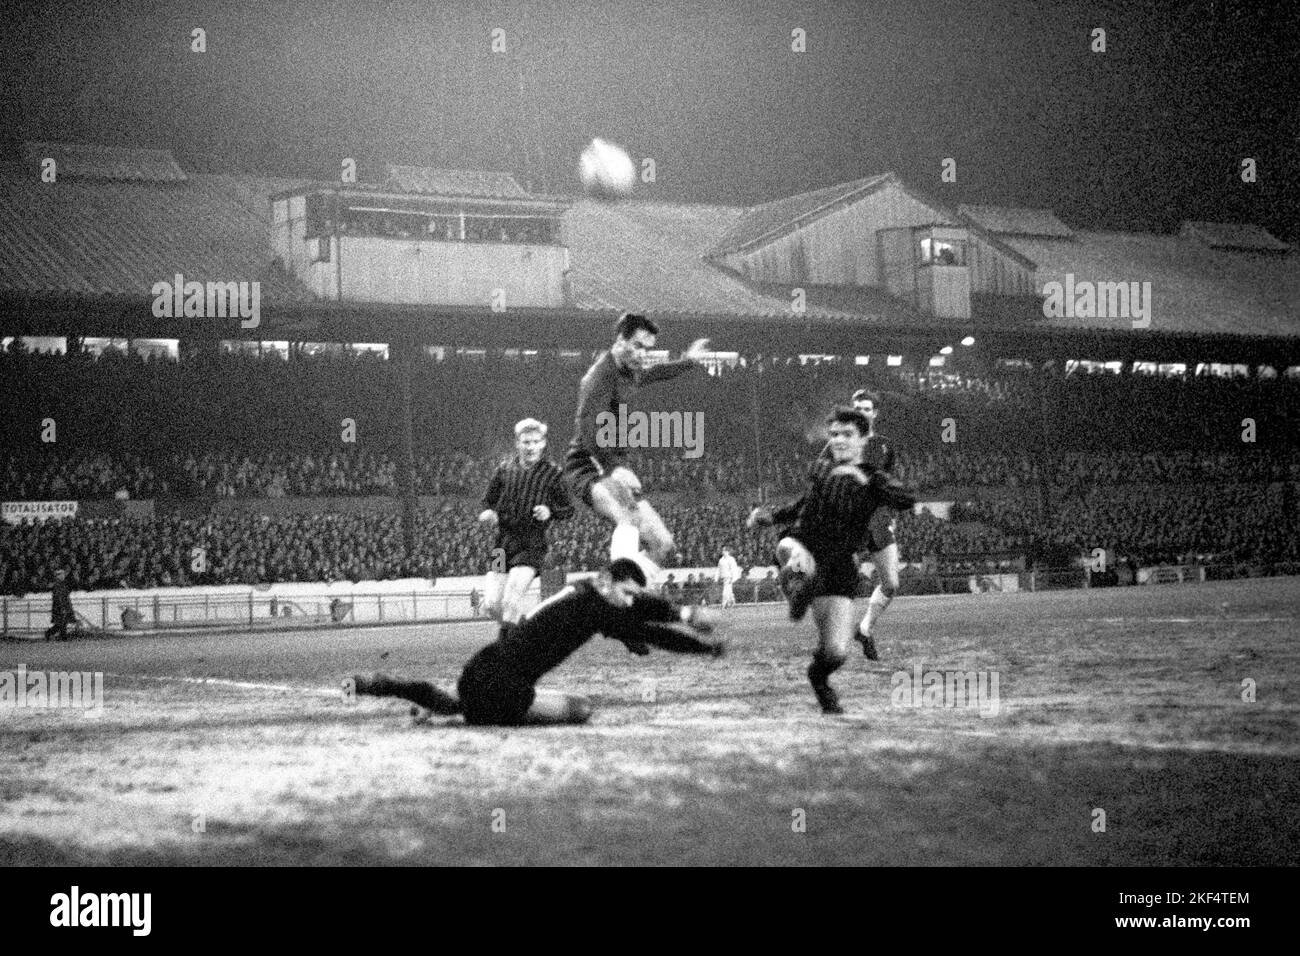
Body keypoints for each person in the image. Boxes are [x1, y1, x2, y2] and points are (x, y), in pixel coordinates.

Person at [350, 559, 724, 726]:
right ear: (609, 582)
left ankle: (390, 687)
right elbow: (653, 629)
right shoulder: (595, 606)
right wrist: (695, 631)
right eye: (627, 593)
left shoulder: (582, 596)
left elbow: (641, 619)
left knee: (464, 703)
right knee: (582, 709)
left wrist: (679, 623)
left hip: (478, 669)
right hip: (508, 692)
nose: (630, 601)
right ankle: (425, 702)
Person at [748, 406, 916, 714]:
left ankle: (818, 678)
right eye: (834, 434)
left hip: (839, 566)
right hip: (803, 544)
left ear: (864, 439)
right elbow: (802, 504)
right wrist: (770, 516)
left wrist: (869, 480)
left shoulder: (873, 479)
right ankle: (797, 584)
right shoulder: (822, 469)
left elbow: (907, 498)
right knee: (792, 550)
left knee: (837, 652)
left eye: (847, 435)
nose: (838, 440)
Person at [563, 312, 709, 577]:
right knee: (628, 520)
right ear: (620, 340)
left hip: (614, 467)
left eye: (648, 349)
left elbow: (655, 373)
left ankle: (621, 587)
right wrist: (613, 466)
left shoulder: (629, 372)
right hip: (589, 465)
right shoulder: (599, 375)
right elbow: (586, 426)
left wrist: (688, 361)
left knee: (663, 545)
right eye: (638, 346)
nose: (643, 354)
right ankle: (616, 599)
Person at [478, 418, 574, 624]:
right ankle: (528, 631)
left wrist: (550, 511)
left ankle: (510, 653)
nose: (531, 447)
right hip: (501, 545)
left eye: (535, 442)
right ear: (517, 444)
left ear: (543, 444)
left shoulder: (553, 473)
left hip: (531, 544)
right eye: (526, 442)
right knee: (491, 605)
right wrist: (488, 513)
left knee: (511, 602)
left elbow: (568, 509)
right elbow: (488, 502)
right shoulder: (504, 469)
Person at [45, 568, 76, 641]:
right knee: (61, 623)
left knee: (62, 623)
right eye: (61, 574)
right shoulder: (58, 585)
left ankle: (58, 635)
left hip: (63, 605)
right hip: (60, 606)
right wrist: (62, 607)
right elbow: (58, 597)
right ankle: (60, 636)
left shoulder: (62, 584)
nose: (63, 576)